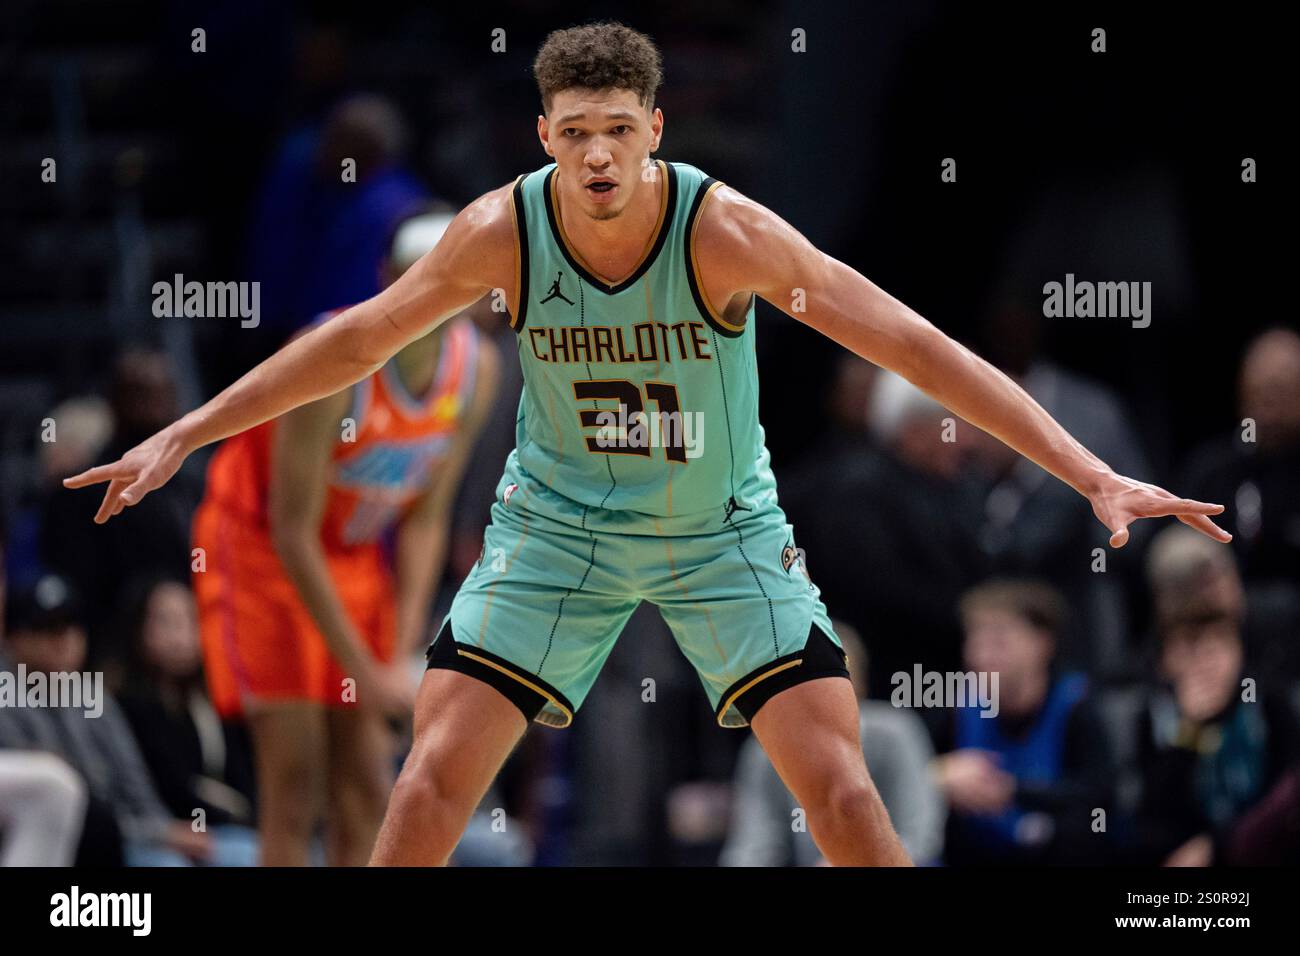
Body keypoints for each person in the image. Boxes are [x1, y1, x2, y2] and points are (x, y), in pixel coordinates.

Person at [65, 22, 1230, 867]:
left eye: (620, 130)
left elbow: (913, 346)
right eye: (575, 133)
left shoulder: (723, 229)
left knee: (841, 794)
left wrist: (1086, 469)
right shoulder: (499, 232)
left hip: (720, 532)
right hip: (556, 529)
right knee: (423, 791)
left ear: (655, 130)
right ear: (543, 135)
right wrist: (185, 428)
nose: (599, 157)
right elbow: (356, 339)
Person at [189, 209, 498, 865]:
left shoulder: (478, 371)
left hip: (355, 559)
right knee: (294, 780)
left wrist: (404, 645)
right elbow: (290, 528)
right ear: (386, 278)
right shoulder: (335, 359)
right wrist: (363, 668)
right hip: (260, 551)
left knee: (366, 784)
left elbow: (425, 518)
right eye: (419, 276)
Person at [721, 622, 945, 866]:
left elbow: (921, 836)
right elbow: (753, 846)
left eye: (823, 679)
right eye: (797, 681)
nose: (809, 693)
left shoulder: (895, 732)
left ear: (855, 683)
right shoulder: (763, 750)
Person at [930, 580, 1112, 865]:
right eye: (974, 640)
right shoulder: (958, 706)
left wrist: (1010, 790)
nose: (982, 655)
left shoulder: (1076, 704)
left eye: (998, 641)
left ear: (1042, 643)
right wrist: (937, 775)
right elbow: (906, 771)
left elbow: (1099, 799)